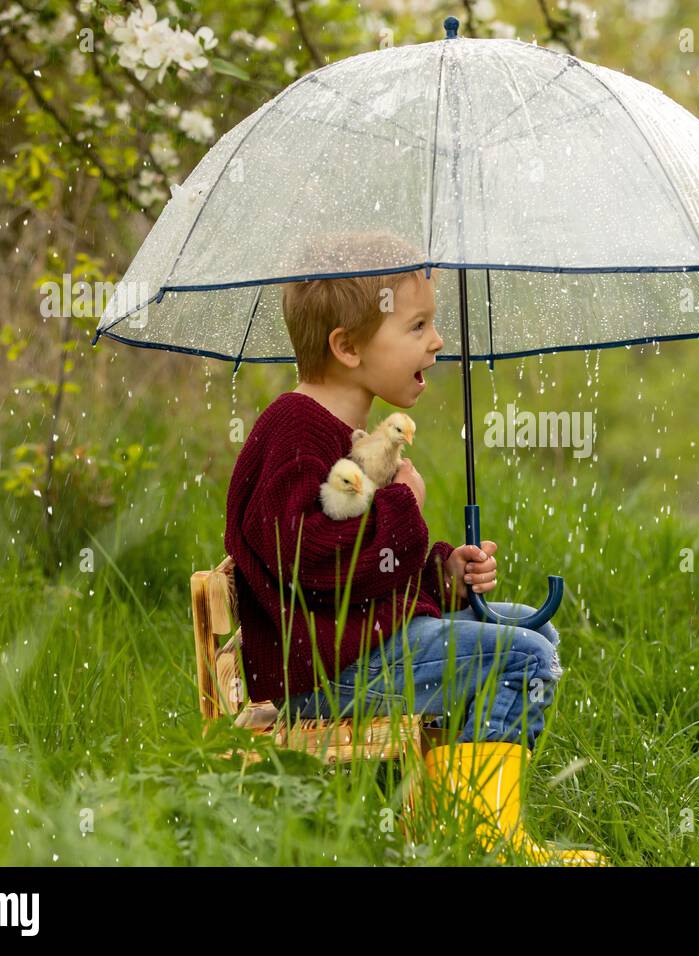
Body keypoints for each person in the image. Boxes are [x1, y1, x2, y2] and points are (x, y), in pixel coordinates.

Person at [223, 230, 606, 865]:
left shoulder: (351, 432)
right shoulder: (294, 432)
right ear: (347, 346)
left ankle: (441, 812)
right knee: (524, 658)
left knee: (533, 636)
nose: (436, 341)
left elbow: (367, 570)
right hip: (324, 672)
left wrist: (442, 574)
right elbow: (312, 562)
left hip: (354, 648)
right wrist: (404, 502)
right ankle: (482, 838)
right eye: (418, 325)